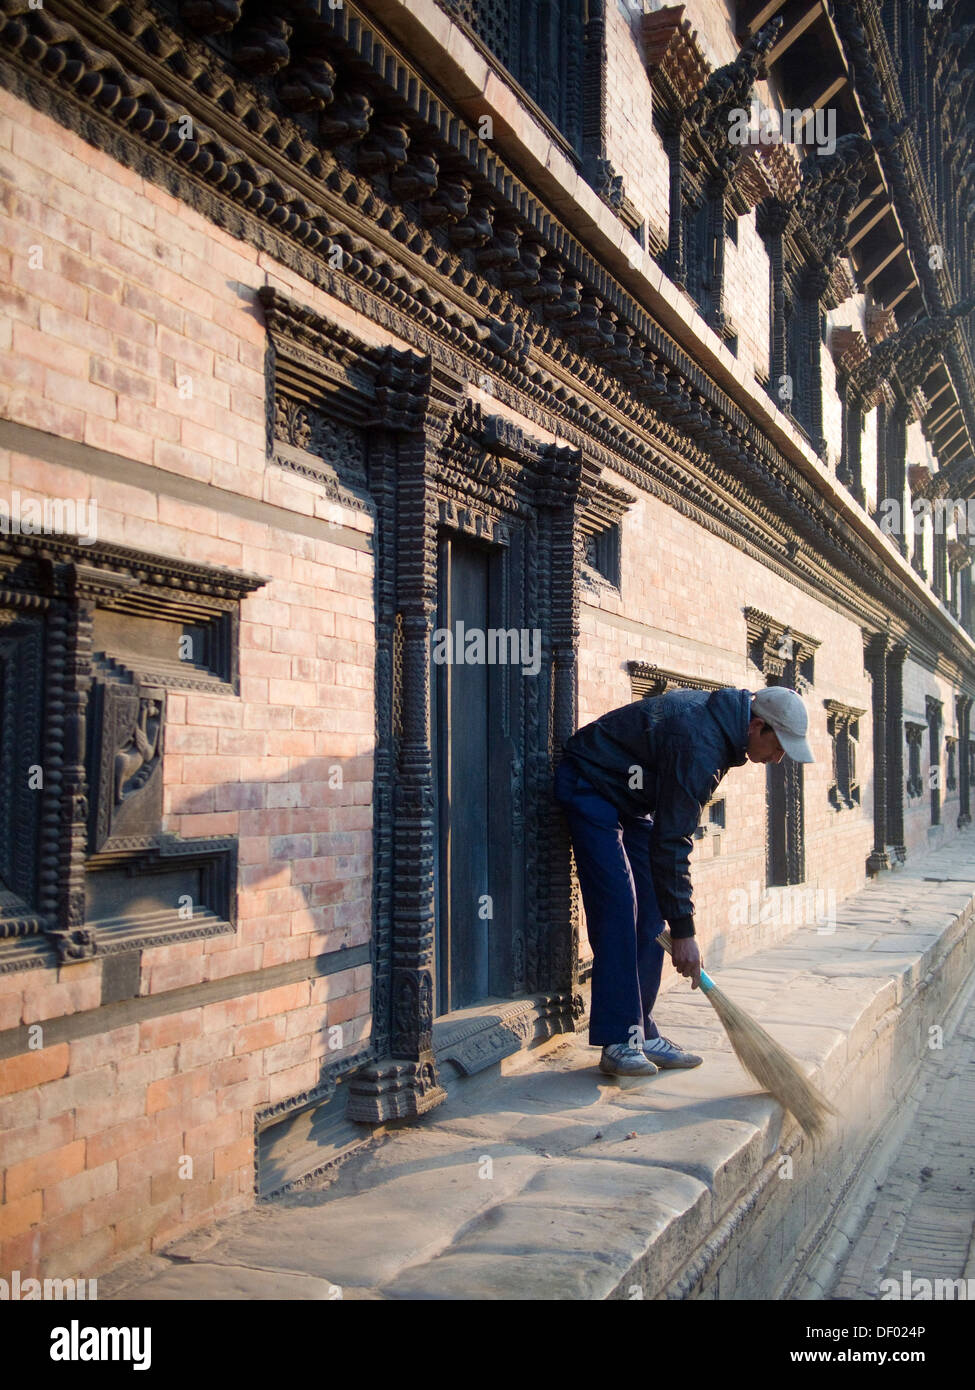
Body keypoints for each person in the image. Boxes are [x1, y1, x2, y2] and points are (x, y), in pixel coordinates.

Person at [554, 685, 814, 1076]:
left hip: (633, 799)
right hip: (590, 784)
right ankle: (619, 1040)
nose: (778, 759)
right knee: (621, 907)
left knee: (655, 907)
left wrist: (677, 926)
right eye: (779, 747)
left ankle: (641, 1030)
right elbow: (673, 842)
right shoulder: (701, 743)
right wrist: (686, 933)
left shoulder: (723, 731)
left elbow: (670, 834)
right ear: (757, 726)